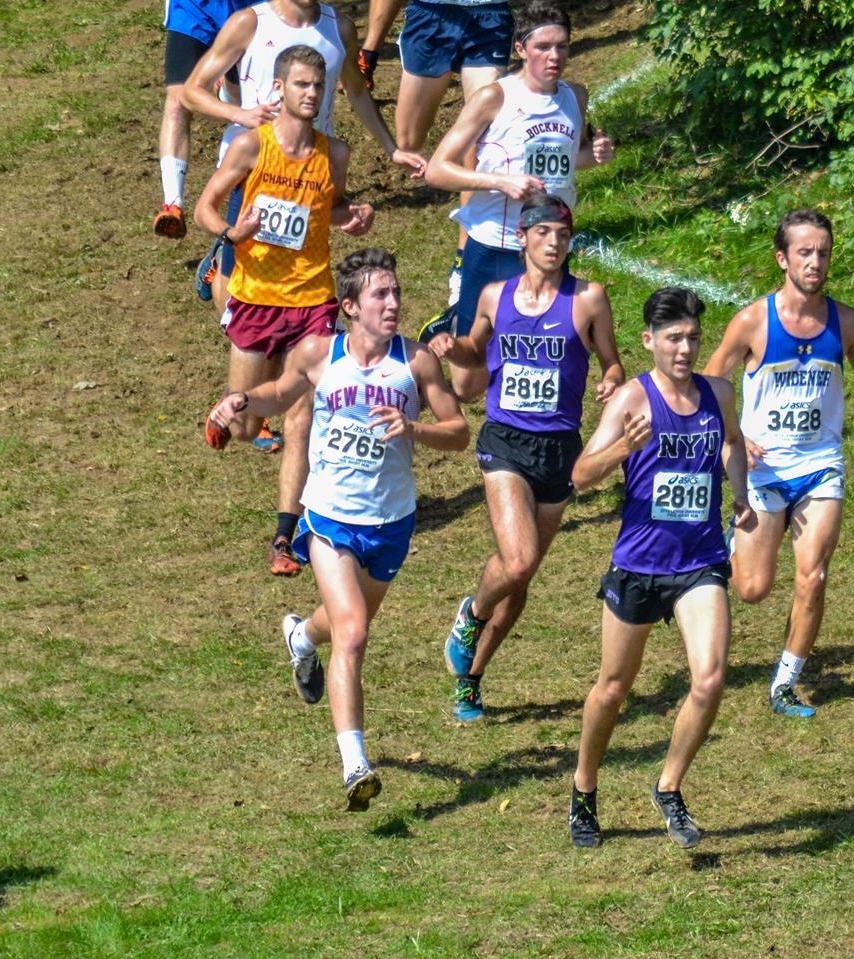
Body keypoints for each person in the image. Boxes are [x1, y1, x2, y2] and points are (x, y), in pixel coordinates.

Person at [205, 248, 470, 810]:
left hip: (392, 520)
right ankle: (356, 765)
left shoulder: (416, 363)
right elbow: (281, 392)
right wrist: (242, 398)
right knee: (353, 635)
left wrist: (414, 429)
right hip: (328, 515)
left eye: (396, 293)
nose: (393, 303)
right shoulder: (320, 354)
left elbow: (459, 431)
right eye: (380, 295)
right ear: (350, 306)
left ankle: (301, 636)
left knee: (343, 623)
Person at [703, 209, 854, 719]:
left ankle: (785, 684)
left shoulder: (846, 322)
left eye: (823, 253)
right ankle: (726, 546)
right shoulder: (751, 321)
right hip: (764, 471)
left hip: (821, 465)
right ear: (782, 258)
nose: (815, 262)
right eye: (804, 253)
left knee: (814, 577)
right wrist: (735, 434)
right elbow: (710, 385)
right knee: (752, 589)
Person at [567, 287, 751, 850]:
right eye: (674, 338)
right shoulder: (629, 400)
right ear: (649, 341)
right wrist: (622, 447)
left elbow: (733, 443)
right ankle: (583, 788)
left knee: (711, 676)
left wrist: (742, 498)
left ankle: (669, 787)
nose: (685, 348)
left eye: (693, 337)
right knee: (613, 688)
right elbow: (579, 475)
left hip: (700, 561)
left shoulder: (719, 392)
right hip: (639, 564)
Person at [430, 195, 624, 722]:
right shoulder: (496, 295)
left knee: (522, 579)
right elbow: (476, 351)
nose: (554, 244)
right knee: (515, 560)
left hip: (559, 448)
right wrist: (455, 350)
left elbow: (612, 363)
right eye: (544, 234)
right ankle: (470, 614)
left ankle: (471, 678)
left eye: (562, 236)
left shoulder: (588, 299)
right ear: (523, 238)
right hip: (506, 441)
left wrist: (609, 384)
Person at [194, 44, 375, 576]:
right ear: (279, 89)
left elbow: (330, 207)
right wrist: (231, 232)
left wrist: (353, 216)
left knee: (301, 420)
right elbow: (206, 205)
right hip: (255, 297)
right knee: (251, 426)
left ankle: (283, 537)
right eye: (301, 85)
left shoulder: (334, 154)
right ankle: (232, 413)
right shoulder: (252, 147)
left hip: (313, 301)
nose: (311, 94)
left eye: (318, 87)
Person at [182, 0, 426, 313]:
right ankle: (236, 329)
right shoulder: (249, 22)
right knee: (235, 271)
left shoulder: (339, 28)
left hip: (310, 171)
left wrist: (392, 150)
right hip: (250, 167)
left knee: (294, 263)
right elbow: (191, 91)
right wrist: (239, 114)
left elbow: (356, 89)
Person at [421, 2, 613, 362]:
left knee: (535, 353)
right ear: (521, 49)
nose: (554, 56)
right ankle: (452, 321)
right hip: (495, 242)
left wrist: (596, 154)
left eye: (562, 46)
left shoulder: (575, 96)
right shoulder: (495, 98)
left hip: (548, 246)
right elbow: (437, 170)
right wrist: (501, 182)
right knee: (469, 375)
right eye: (543, 47)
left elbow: (571, 161)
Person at [358, 0, 516, 310]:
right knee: (408, 141)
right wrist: (371, 46)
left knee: (480, 137)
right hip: (431, 13)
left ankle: (463, 260)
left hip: (488, 13)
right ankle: (450, 159)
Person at [155, 0, 257, 238]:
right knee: (178, 99)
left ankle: (226, 88)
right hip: (196, 6)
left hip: (252, 6)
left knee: (244, 95)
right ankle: (173, 205)